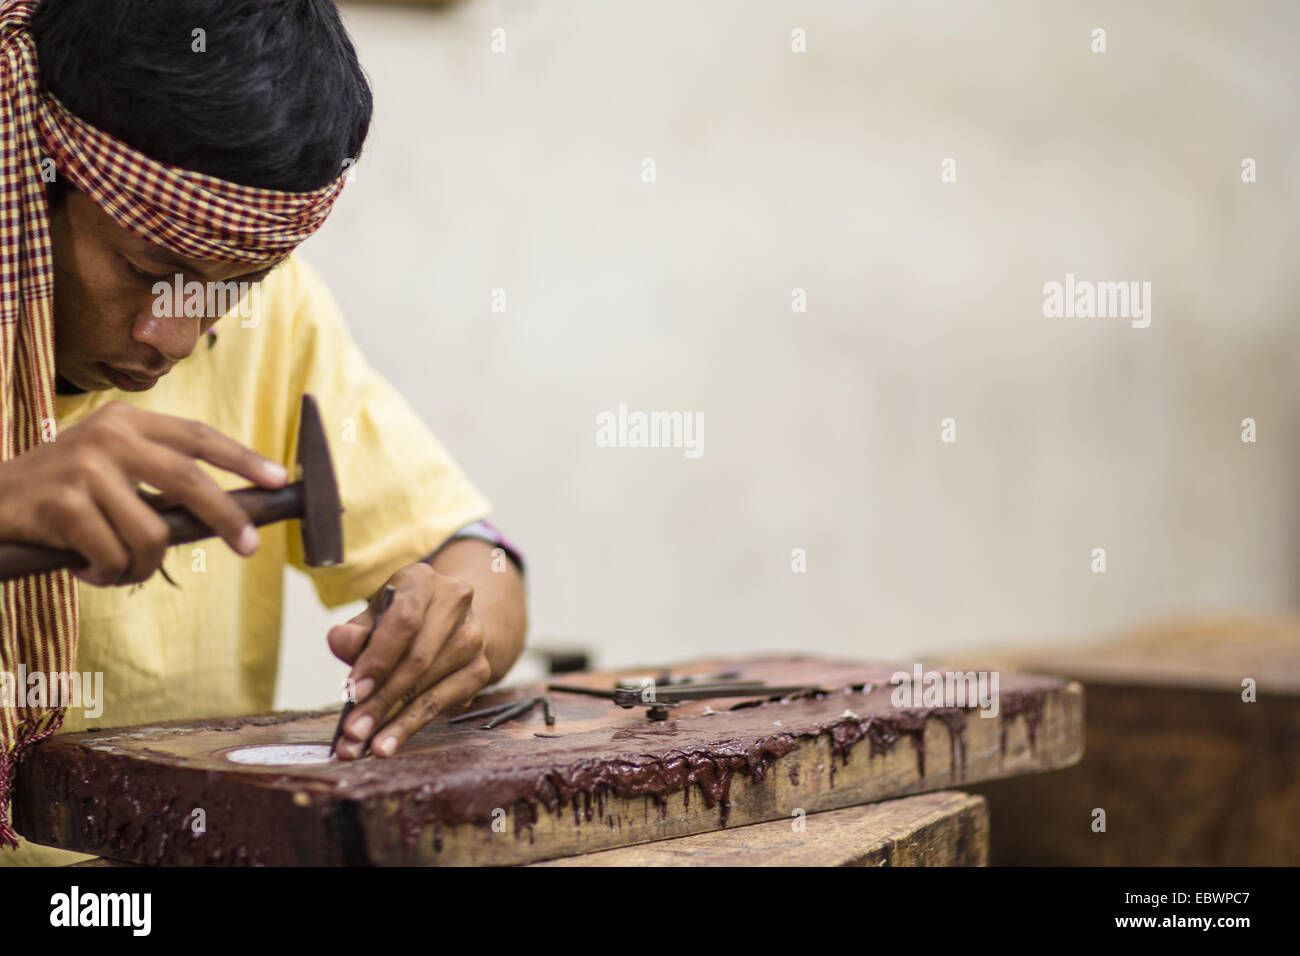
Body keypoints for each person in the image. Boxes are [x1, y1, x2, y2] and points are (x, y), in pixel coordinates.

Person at [0, 0, 528, 865]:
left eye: (233, 283)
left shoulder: (275, 316)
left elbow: (483, 557)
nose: (174, 336)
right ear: (32, 173)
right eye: (147, 268)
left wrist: (453, 622)